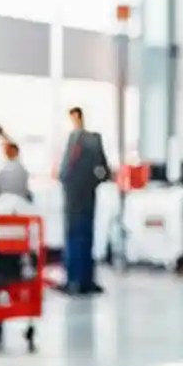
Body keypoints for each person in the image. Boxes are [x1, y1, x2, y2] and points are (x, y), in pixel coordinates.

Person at [58, 107, 109, 295]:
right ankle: (82, 280)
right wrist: (93, 183)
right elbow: (104, 171)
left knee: (76, 238)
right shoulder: (93, 139)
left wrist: (86, 183)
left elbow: (65, 172)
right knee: (85, 238)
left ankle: (75, 281)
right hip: (86, 197)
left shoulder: (78, 139)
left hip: (76, 197)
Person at [0, 124, 32, 203]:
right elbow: (12, 145)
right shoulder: (20, 168)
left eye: (5, 149)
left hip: (6, 201)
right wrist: (2, 134)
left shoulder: (4, 171)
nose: (3, 150)